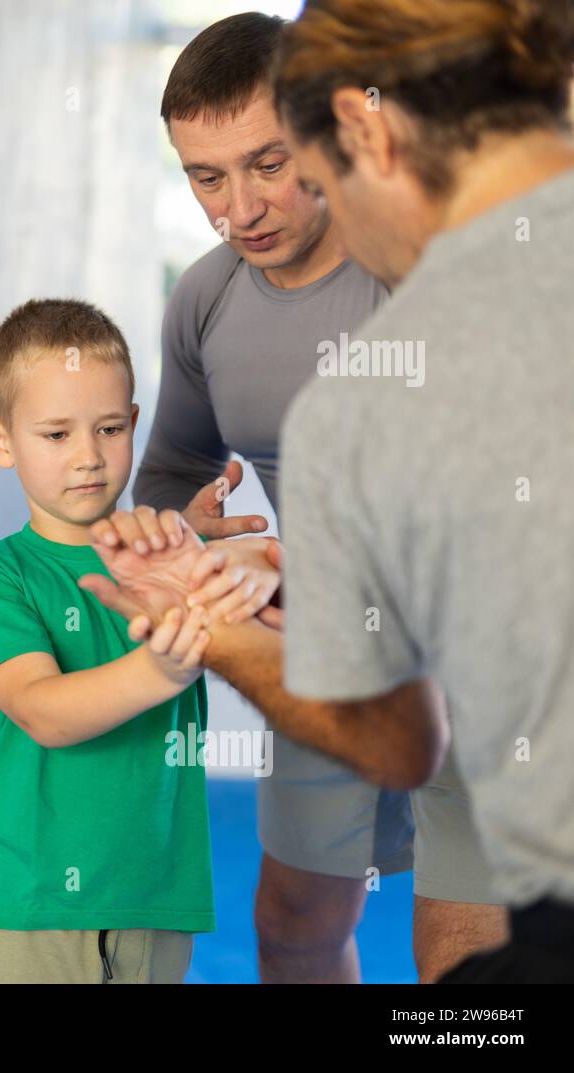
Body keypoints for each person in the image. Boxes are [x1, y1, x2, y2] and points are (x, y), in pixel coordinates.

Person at [85, 0, 574, 983]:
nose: (243, 206)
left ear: (361, 129)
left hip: (470, 705)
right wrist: (243, 554)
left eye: (280, 164)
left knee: (470, 953)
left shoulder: (399, 360)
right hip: (349, 643)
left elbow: (404, 733)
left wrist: (222, 624)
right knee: (304, 918)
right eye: (206, 178)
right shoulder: (214, 304)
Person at [0, 298, 278, 984]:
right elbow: (44, 710)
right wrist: (161, 665)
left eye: (110, 428)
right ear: (1, 440)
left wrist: (254, 570)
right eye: (56, 434)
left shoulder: (169, 563)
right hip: (20, 906)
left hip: (155, 901)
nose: (89, 456)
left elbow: (291, 655)